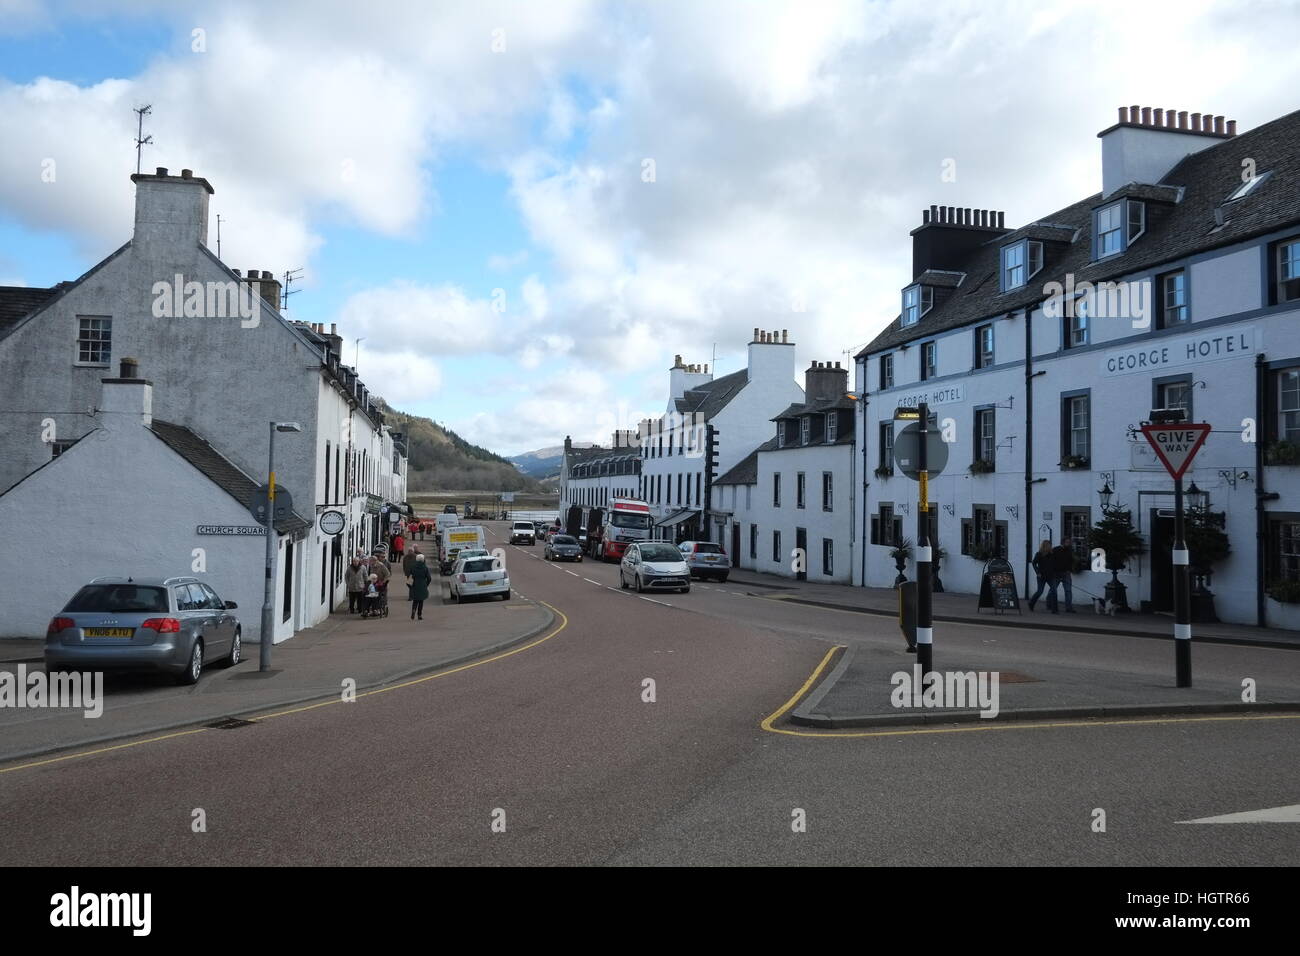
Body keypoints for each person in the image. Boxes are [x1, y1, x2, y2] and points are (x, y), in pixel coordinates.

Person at [1046, 542, 1077, 613]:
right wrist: (1053, 571)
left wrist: (1070, 569)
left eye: (1069, 542)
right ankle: (1049, 604)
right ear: (1063, 543)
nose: (1068, 544)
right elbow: (1050, 561)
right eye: (1067, 542)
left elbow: (1071, 561)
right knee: (1053, 590)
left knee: (1068, 591)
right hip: (1056, 573)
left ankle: (1068, 608)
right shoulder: (1055, 550)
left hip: (1066, 573)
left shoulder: (1069, 551)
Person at [1027, 540, 1052, 611]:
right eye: (1049, 545)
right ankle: (1031, 603)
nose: (1050, 547)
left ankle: (1051, 606)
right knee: (1040, 591)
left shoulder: (1051, 554)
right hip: (1041, 576)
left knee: (1053, 590)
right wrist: (1038, 572)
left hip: (1050, 576)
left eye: (1050, 545)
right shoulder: (1039, 554)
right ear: (1045, 546)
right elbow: (1034, 563)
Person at [409, 554, 432, 621]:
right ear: (423, 560)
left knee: (415, 600)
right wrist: (426, 584)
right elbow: (429, 578)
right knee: (421, 601)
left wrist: (410, 585)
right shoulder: (425, 568)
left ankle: (413, 610)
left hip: (415, 584)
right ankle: (419, 615)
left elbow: (410, 576)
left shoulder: (413, 567)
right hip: (422, 585)